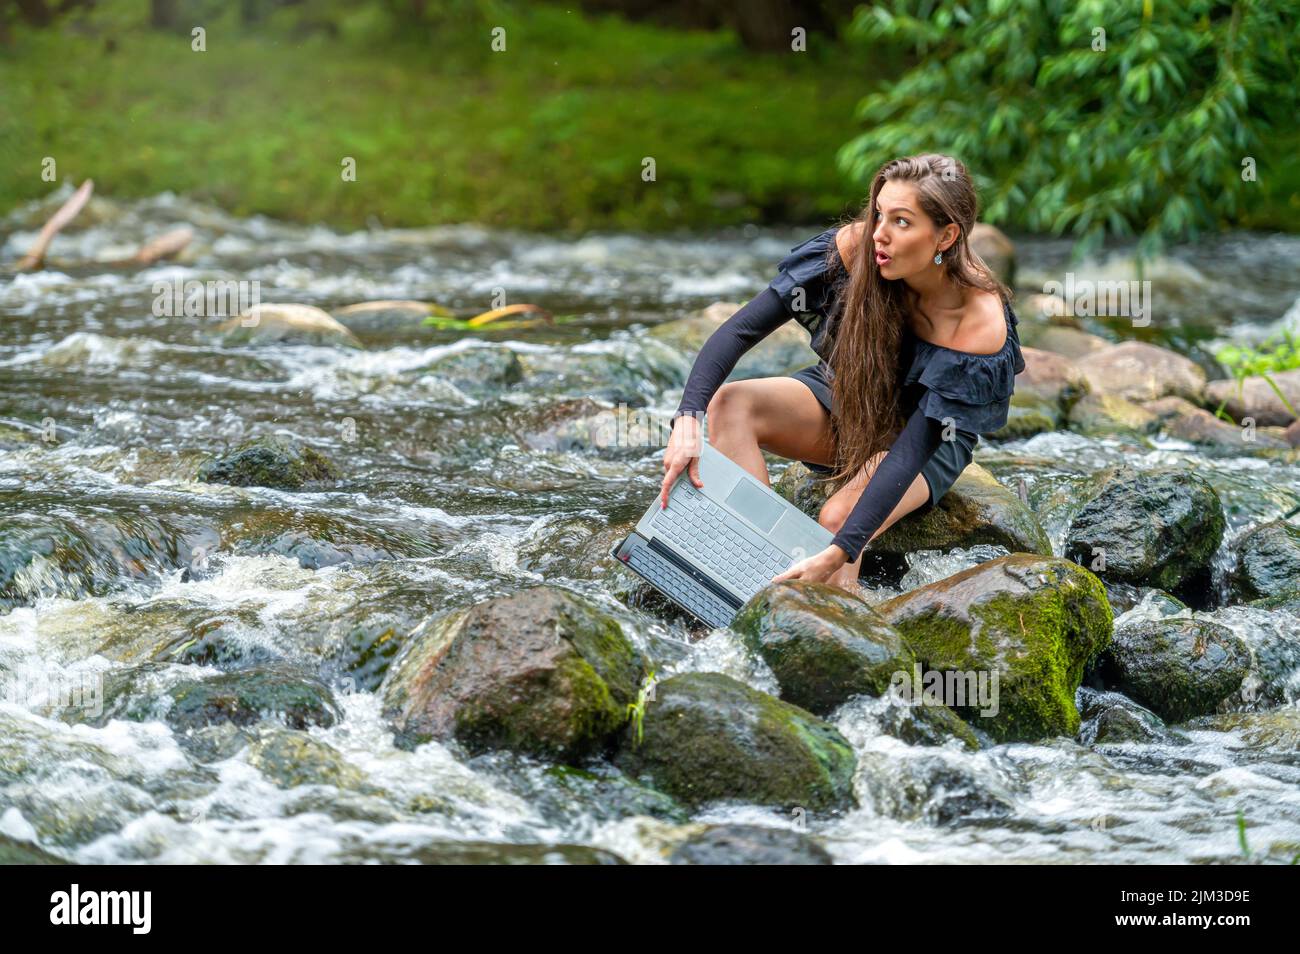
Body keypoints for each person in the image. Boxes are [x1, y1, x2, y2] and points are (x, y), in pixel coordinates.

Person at [660, 153, 1026, 593]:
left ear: (946, 235)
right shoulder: (855, 248)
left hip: (928, 433)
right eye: (879, 214)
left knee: (836, 520)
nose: (880, 234)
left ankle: (838, 629)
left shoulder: (977, 319)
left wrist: (838, 550)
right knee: (731, 403)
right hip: (851, 393)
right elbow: (740, 330)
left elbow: (911, 451)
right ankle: (753, 572)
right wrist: (686, 420)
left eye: (902, 222)